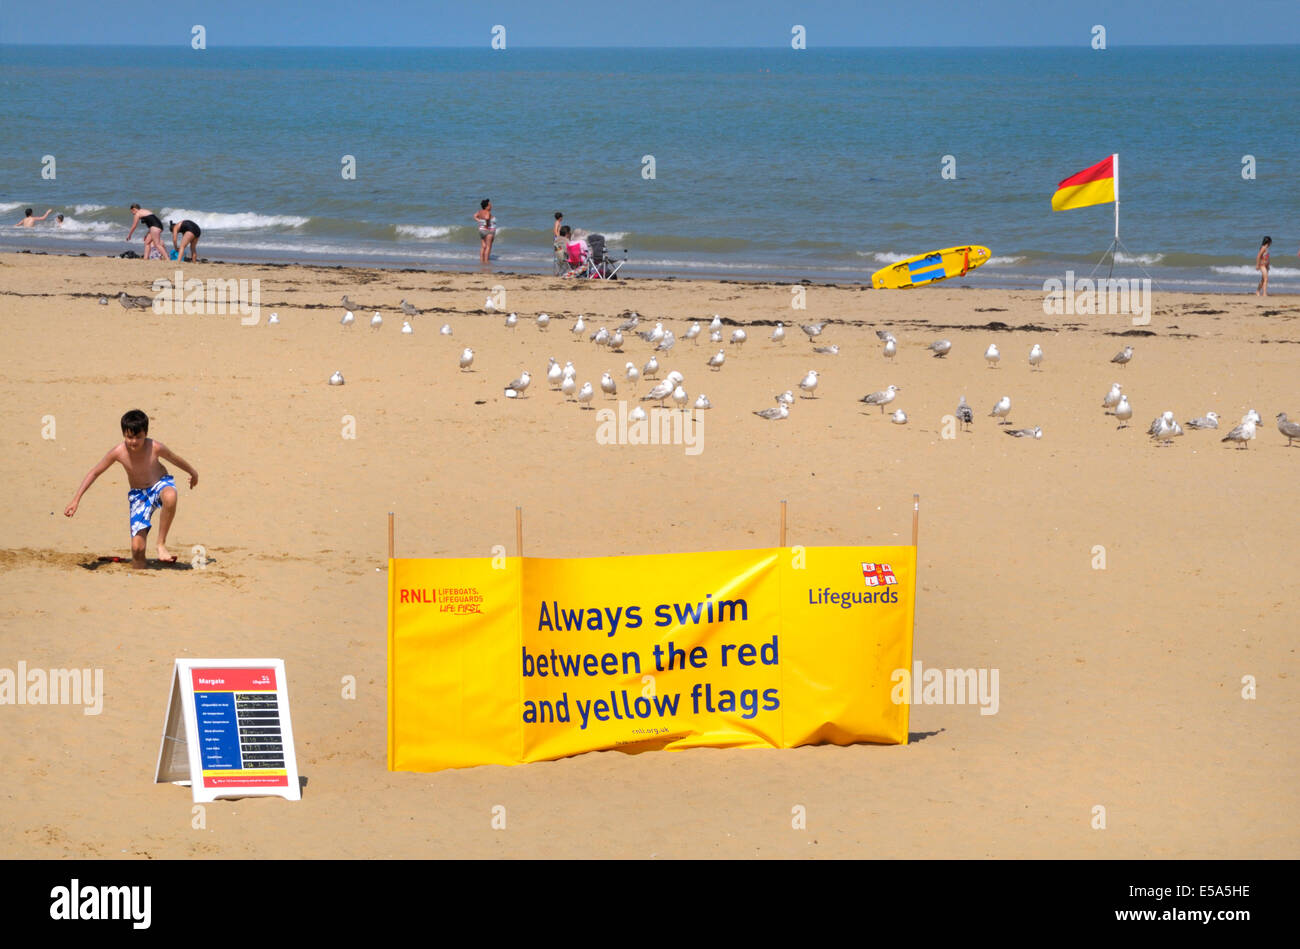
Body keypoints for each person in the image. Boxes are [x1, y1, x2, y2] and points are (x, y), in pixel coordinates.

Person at [64, 409, 199, 568]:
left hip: (159, 485)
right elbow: (95, 472)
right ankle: (140, 572)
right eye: (129, 437)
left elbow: (174, 459)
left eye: (138, 437)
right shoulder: (118, 452)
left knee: (170, 495)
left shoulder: (155, 447)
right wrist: (76, 499)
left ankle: (161, 544)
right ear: (124, 434)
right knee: (137, 549)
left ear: (145, 434)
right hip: (139, 496)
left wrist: (192, 472)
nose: (133, 441)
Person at [474, 198, 496, 264]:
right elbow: (487, 218)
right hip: (489, 231)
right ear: (486, 207)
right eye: (490, 205)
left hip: (481, 230)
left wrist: (480, 221)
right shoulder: (488, 213)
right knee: (488, 246)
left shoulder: (480, 211)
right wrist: (487, 224)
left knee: (483, 246)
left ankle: (481, 260)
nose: (491, 206)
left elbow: (475, 216)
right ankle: (486, 261)